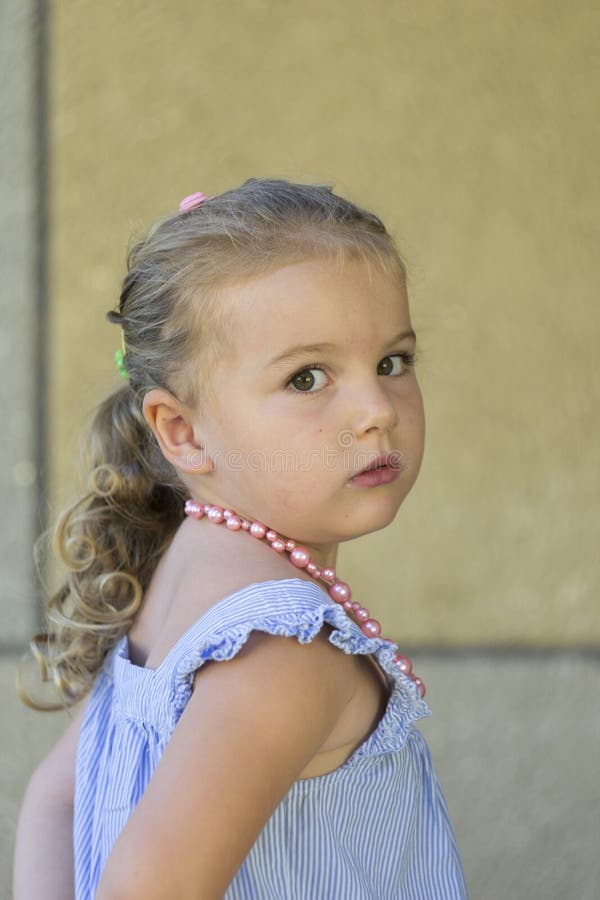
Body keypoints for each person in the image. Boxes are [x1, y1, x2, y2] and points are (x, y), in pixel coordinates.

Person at [13, 178, 469, 899]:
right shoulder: (285, 650)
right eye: (307, 378)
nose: (377, 410)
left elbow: (56, 801)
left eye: (392, 362)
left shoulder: (174, 569)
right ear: (183, 432)